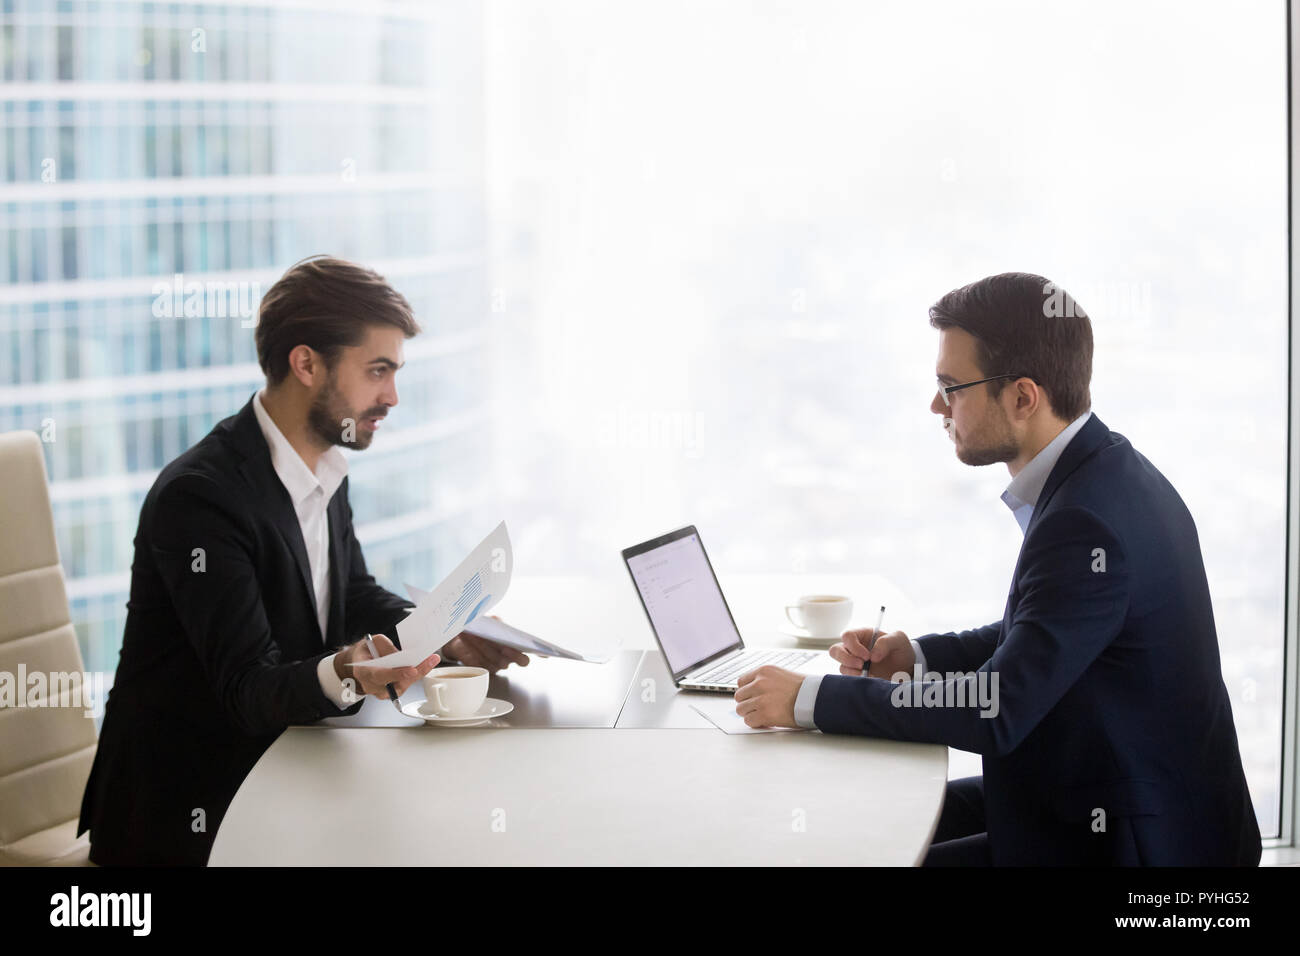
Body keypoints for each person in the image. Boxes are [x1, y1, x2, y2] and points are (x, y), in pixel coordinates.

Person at [733, 272, 1261, 866]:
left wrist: (811, 699)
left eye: (952, 387)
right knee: (865, 826)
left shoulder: (1086, 521)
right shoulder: (1108, 472)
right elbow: (1041, 636)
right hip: (1106, 795)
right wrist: (917, 659)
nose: (937, 406)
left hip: (1139, 848)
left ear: (1023, 397)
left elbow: (999, 708)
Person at [78, 256, 528, 865]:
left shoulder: (322, 467)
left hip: (286, 765)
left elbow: (355, 595)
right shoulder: (201, 497)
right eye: (377, 371)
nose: (392, 396)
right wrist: (345, 670)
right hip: (191, 810)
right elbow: (247, 687)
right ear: (306, 363)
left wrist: (448, 631)